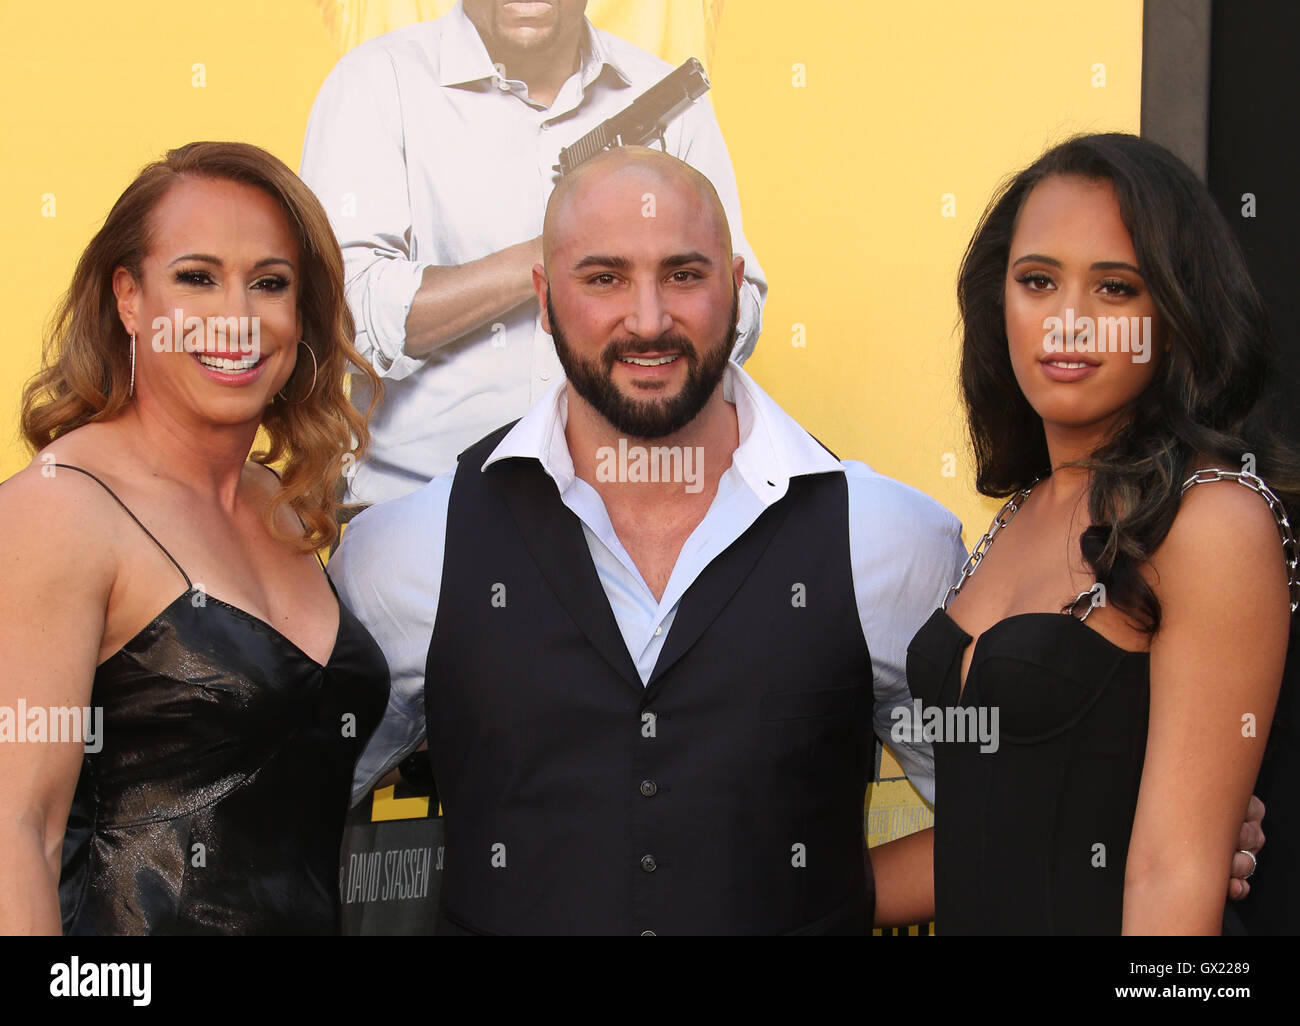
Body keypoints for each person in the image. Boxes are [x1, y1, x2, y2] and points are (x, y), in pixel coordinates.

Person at [330, 145, 959, 934]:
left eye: (685, 275)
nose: (650, 318)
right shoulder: (412, 549)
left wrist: (823, 899)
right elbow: (275, 818)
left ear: (735, 286)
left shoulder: (890, 540)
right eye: (604, 278)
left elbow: (1010, 823)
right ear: (543, 295)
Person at [905, 133, 1294, 934]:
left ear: (1174, 310)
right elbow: (990, 840)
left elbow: (1172, 880)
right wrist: (764, 880)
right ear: (998, 302)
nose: (1070, 322)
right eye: (1038, 281)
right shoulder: (1020, 511)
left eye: (1115, 289)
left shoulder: (1212, 519)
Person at [0, 142, 391, 935]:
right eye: (197, 278)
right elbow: (17, 834)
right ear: (130, 298)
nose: (238, 318)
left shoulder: (286, 510)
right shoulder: (62, 509)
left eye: (270, 284)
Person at [299, 0, 767, 504]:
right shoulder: (375, 85)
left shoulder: (668, 98)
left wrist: (662, 279)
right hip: (425, 512)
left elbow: (740, 314)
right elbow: (341, 317)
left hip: (624, 520)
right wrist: (564, 252)